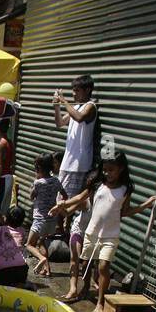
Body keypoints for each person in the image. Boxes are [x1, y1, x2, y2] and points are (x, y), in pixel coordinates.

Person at [52, 151, 156, 312]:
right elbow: (80, 197)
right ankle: (85, 288)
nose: (107, 173)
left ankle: (100, 302)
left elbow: (125, 212)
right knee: (86, 265)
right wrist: (62, 205)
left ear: (121, 169)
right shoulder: (97, 184)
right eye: (105, 170)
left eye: (111, 170)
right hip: (91, 233)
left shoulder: (126, 188)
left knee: (103, 267)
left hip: (110, 235)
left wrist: (145, 205)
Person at [52, 74, 100, 300]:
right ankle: (66, 227)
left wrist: (63, 101)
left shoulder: (89, 107)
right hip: (67, 163)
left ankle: (69, 227)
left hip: (80, 164)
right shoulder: (75, 107)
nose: (73, 94)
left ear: (86, 90)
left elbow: (79, 117)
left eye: (76, 90)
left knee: (75, 203)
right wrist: (56, 106)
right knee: (62, 200)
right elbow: (61, 123)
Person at [25, 154, 64, 276]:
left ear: (38, 169)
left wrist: (35, 182)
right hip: (52, 220)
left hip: (39, 220)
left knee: (29, 245)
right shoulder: (56, 181)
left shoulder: (38, 183)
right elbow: (65, 196)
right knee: (41, 242)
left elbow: (31, 197)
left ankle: (42, 259)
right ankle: (47, 270)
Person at [0, 205, 30, 287]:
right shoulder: (22, 231)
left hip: (3, 269)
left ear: (5, 218)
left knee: (0, 292)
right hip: (22, 268)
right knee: (18, 291)